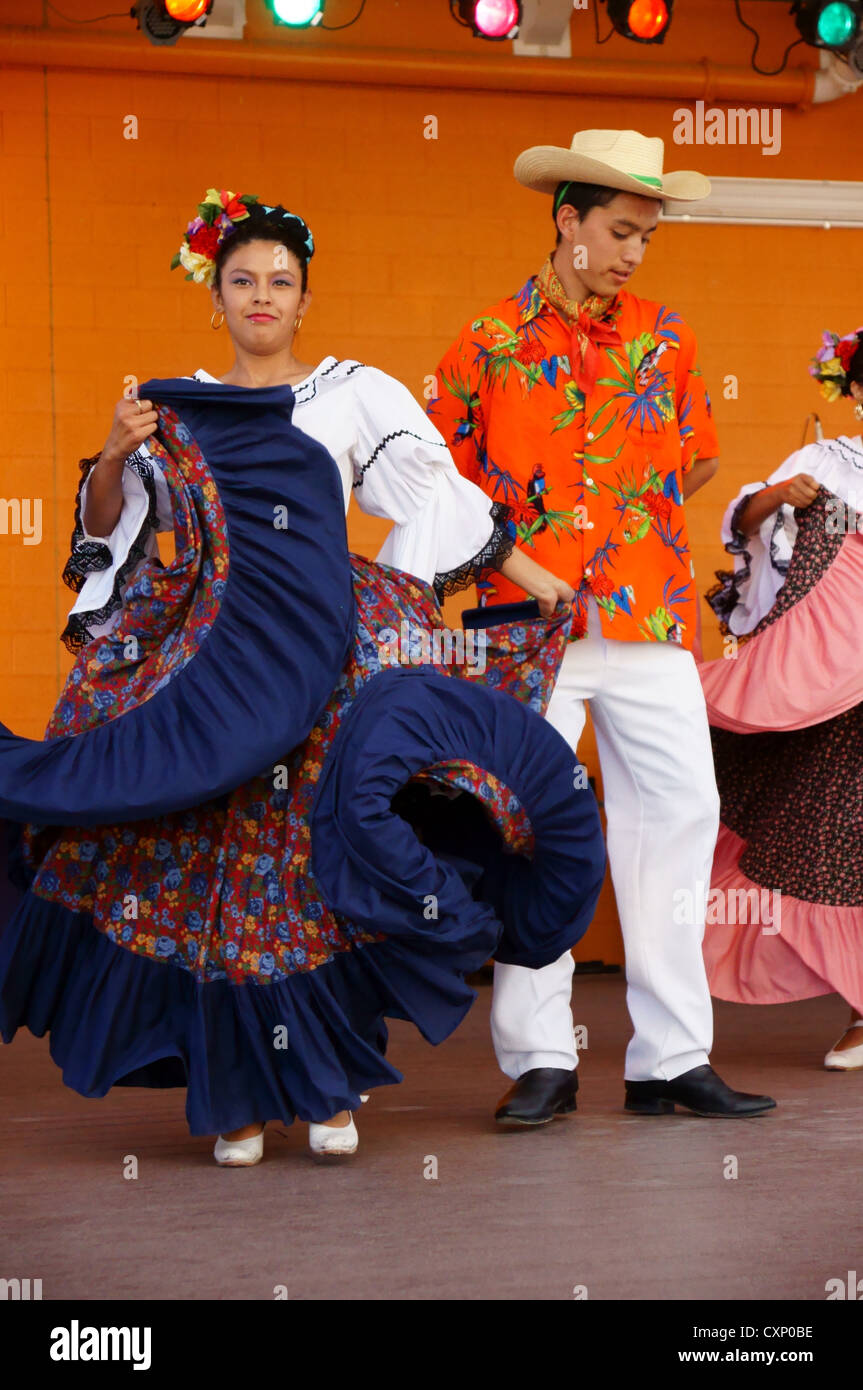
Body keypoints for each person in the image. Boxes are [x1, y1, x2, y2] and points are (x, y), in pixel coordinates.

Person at [0, 190, 606, 1166]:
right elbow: (115, 528)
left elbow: (436, 497)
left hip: (324, 653)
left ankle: (326, 1083)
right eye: (242, 280)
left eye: (280, 280)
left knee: (310, 872)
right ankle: (235, 1096)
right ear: (216, 298)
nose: (261, 296)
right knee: (212, 875)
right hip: (217, 660)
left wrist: (541, 586)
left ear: (303, 298)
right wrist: (116, 448)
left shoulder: (352, 392)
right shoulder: (174, 408)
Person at [429, 129, 777, 1122]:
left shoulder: (666, 337)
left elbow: (694, 460)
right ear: (564, 220)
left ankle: (669, 1059)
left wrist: (628, 519)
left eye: (646, 238)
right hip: (525, 618)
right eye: (619, 230)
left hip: (647, 611)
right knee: (528, 823)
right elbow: (439, 484)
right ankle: (540, 1054)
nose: (631, 252)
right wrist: (529, 549)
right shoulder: (484, 343)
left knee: (678, 817)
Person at [701, 326, 863, 1070]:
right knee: (829, 833)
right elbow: (743, 525)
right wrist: (777, 497)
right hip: (836, 685)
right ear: (853, 389)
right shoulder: (825, 461)